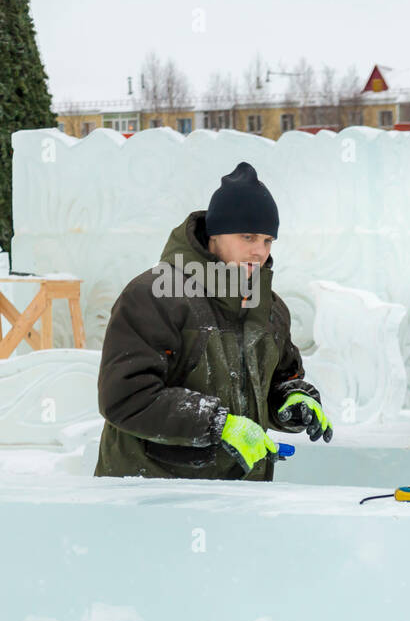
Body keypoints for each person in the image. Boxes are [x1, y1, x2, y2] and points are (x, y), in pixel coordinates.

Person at [96, 162, 332, 480]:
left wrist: (293, 399)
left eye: (267, 240)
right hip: (151, 495)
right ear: (214, 237)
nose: (259, 251)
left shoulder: (270, 308)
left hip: (241, 499)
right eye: (247, 236)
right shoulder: (155, 295)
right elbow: (126, 397)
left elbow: (278, 380)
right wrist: (218, 424)